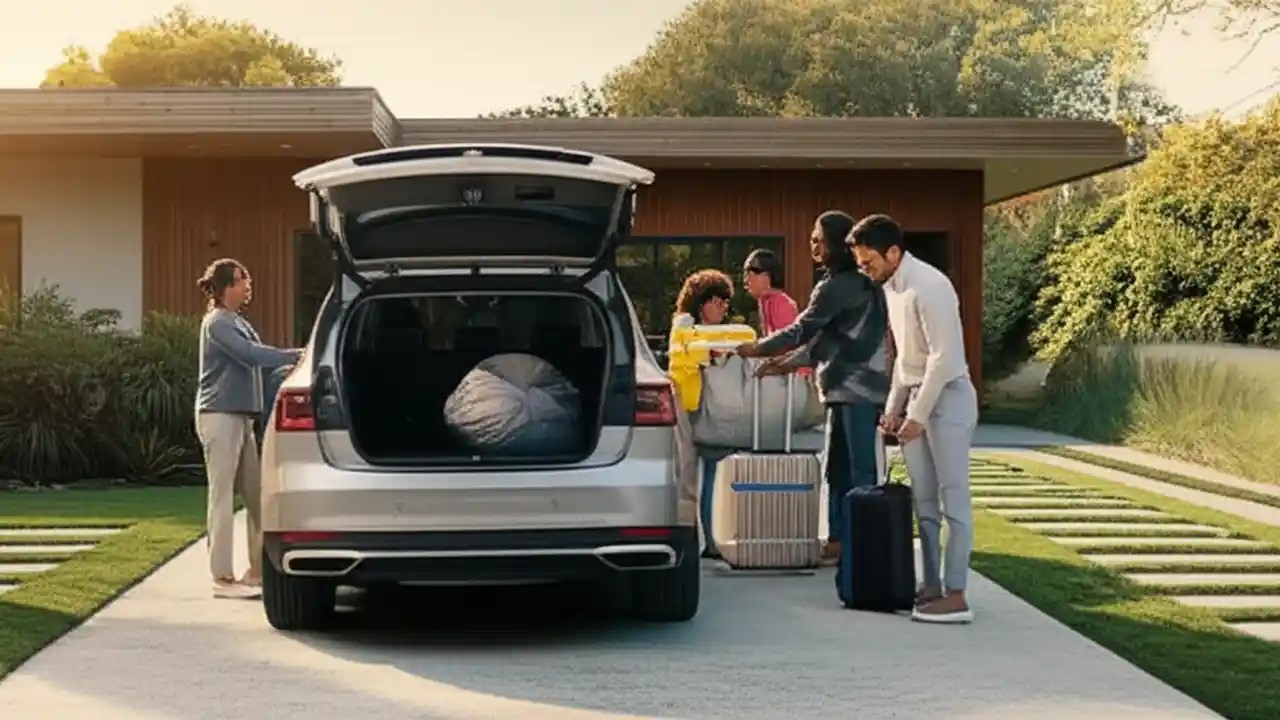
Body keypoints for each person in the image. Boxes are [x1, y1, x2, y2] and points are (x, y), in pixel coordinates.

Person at [736, 210, 890, 565]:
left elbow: (800, 331)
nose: (813, 245)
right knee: (837, 467)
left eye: (819, 239)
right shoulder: (853, 283)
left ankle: (859, 543)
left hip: (858, 390)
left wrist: (755, 349)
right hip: (842, 389)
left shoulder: (840, 286)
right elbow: (827, 340)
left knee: (858, 470)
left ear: (837, 242)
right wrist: (788, 363)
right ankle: (839, 540)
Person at [847, 213, 978, 625]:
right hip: (920, 393)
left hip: (951, 396)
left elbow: (943, 358)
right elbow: (906, 358)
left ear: (893, 252)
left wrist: (917, 416)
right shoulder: (893, 288)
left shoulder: (931, 286)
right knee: (923, 502)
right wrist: (892, 410)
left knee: (953, 498)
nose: (863, 270)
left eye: (868, 262)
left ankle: (957, 594)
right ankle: (932, 586)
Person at [195, 258, 301, 599]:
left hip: (241, 417)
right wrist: (296, 355)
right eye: (243, 280)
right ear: (227, 286)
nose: (248, 285)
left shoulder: (238, 322)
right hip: (219, 415)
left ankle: (257, 571)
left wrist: (292, 367)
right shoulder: (218, 324)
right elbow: (252, 355)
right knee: (222, 496)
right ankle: (222, 577)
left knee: (257, 496)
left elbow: (261, 361)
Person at [668, 269, 736, 558]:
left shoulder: (712, 331)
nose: (723, 307)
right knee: (688, 478)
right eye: (718, 301)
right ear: (702, 302)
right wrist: (714, 353)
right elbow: (689, 353)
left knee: (707, 475)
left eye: (725, 302)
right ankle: (691, 539)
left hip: (700, 409)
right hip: (684, 405)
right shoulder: (686, 323)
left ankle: (707, 538)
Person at [742, 249, 799, 335]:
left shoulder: (783, 304)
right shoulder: (763, 301)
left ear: (767, 275)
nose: (746, 280)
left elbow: (785, 343)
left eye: (749, 274)